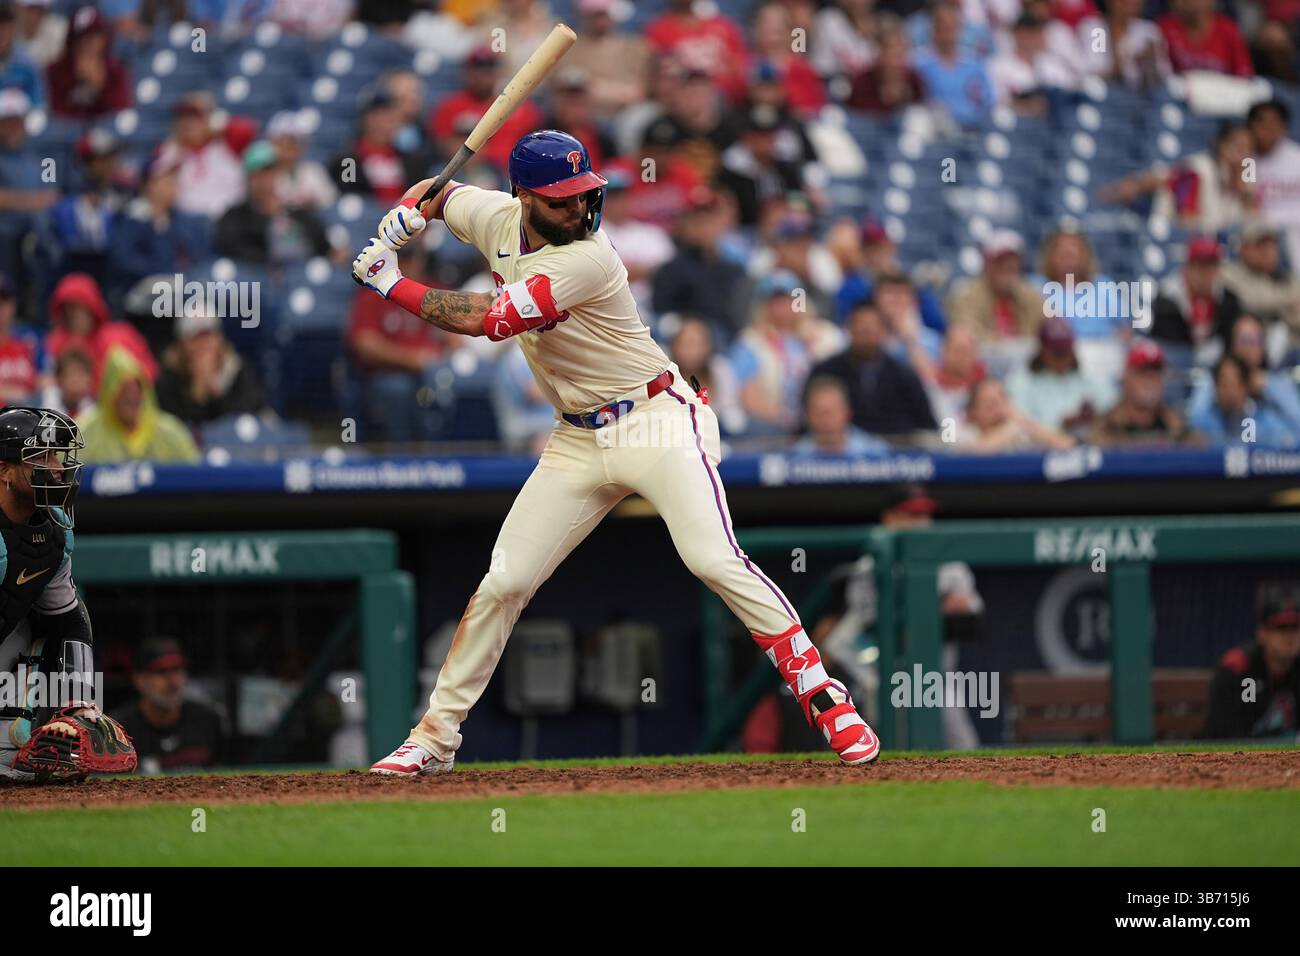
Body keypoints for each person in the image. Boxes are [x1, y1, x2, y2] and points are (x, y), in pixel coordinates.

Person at [353, 129, 881, 773]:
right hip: (576, 435)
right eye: (561, 200)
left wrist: (388, 278)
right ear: (523, 198)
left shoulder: (591, 258)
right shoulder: (492, 215)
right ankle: (435, 738)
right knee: (505, 582)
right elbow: (439, 194)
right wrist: (411, 212)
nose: (577, 210)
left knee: (711, 557)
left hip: (656, 417)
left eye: (583, 195)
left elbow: (488, 320)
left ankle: (823, 694)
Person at [0, 406, 136, 781]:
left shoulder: (55, 530)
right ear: (4, 469)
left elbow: (68, 622)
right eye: (40, 456)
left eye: (58, 455)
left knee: (38, 626)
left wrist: (81, 704)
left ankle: (6, 746)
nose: (56, 467)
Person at [729, 269, 844, 435]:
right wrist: (788, 427)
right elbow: (750, 397)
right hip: (775, 430)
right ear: (763, 306)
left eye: (790, 299)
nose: (783, 306)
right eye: (775, 301)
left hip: (827, 426)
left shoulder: (828, 336)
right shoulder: (750, 343)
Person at [806, 299, 938, 437]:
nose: (866, 335)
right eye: (861, 328)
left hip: (896, 454)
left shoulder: (903, 376)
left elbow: (926, 425)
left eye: (871, 329)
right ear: (849, 329)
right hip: (836, 451)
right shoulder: (825, 371)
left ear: (883, 332)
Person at [109, 638, 225, 773]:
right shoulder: (117, 730)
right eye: (161, 672)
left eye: (177, 670)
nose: (172, 681)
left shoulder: (207, 719)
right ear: (139, 680)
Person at [216, 140, 335, 268]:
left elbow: (324, 247)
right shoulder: (235, 217)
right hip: (262, 280)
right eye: (259, 173)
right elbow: (233, 248)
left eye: (270, 171)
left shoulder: (298, 213)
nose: (265, 179)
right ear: (248, 178)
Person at [1201, 595, 1300, 739]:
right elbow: (1220, 731)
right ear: (1262, 633)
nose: (1289, 636)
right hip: (1240, 754)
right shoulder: (1240, 667)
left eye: (1295, 628)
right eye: (1281, 628)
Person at [78, 346, 198, 463]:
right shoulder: (84, 433)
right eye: (124, 390)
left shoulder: (171, 433)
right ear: (110, 394)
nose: (132, 397)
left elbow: (195, 473)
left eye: (137, 390)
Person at [45, 271, 156, 389]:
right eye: (70, 310)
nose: (76, 316)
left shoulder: (121, 335)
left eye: (81, 308)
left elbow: (147, 374)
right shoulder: (55, 342)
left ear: (93, 307)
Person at [155, 312, 267, 427]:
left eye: (209, 337)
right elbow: (172, 426)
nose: (205, 346)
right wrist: (197, 397)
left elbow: (246, 422)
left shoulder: (237, 370)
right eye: (196, 339)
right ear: (182, 345)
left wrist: (216, 393)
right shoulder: (168, 378)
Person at [1005, 317, 1115, 432]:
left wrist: (1094, 417)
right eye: (1056, 353)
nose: (1062, 358)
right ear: (1042, 351)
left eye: (1065, 351)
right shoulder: (1021, 382)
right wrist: (1062, 424)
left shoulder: (1089, 379)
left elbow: (1114, 409)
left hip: (1090, 445)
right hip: (1040, 447)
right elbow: (1020, 425)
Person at [1088, 339, 1204, 446]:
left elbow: (1202, 451)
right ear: (1126, 377)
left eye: (1155, 373)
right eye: (1142, 373)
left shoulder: (1178, 426)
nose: (1149, 381)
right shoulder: (1106, 427)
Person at [945, 230, 1045, 342]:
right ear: (987, 263)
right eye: (1000, 260)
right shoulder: (966, 296)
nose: (1007, 266)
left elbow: (1044, 329)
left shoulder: (1031, 296)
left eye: (1012, 260)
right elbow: (968, 333)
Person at [1187, 353, 1299, 447]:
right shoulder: (1203, 422)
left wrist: (1268, 384)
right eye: (1224, 384)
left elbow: (1293, 440)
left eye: (1235, 384)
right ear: (1215, 387)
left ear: (1246, 386)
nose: (1230, 391)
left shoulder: (1265, 420)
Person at [912, 0, 993, 128]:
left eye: (952, 27)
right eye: (943, 27)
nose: (948, 33)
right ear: (933, 28)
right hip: (933, 130)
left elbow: (987, 103)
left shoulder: (974, 64)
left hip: (974, 129)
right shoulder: (918, 63)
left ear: (959, 29)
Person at [1220, 223, 1300, 352]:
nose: (1267, 251)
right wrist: (1289, 303)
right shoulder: (1231, 274)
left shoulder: (1285, 276)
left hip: (1292, 347)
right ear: (1244, 248)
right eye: (1260, 245)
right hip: (1252, 350)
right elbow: (1252, 301)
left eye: (1271, 245)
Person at [167, 92, 245, 221]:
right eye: (183, 117)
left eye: (195, 117)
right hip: (186, 225)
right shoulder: (170, 152)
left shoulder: (227, 144)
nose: (188, 123)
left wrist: (218, 123)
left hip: (228, 223)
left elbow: (246, 130)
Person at [43, 4, 130, 119]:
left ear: (105, 39)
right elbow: (55, 116)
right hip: (67, 134)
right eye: (82, 38)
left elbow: (121, 116)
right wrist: (74, 80)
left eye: (95, 36)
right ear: (72, 42)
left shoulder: (116, 70)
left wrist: (99, 88)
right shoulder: (55, 71)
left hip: (104, 134)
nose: (88, 44)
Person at [1248, 99, 1300, 275]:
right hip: (1260, 234)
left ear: (1284, 128)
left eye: (1274, 124)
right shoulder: (1248, 160)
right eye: (1263, 124)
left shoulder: (1296, 158)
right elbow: (1245, 199)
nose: (1268, 131)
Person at [960, 377, 1075, 450]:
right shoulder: (965, 433)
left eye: (1002, 401)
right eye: (990, 404)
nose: (998, 409)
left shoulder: (1021, 430)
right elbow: (974, 454)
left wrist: (1025, 423)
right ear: (973, 412)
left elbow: (1068, 445)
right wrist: (1010, 430)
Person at [1077, 0, 1170, 89]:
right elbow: (1093, 72)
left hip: (1144, 96)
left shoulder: (1148, 30)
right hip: (1107, 94)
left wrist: (1150, 64)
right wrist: (1121, 62)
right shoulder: (1095, 28)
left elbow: (1164, 75)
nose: (1132, 2)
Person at [794, 375, 889, 455]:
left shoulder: (875, 452)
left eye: (832, 412)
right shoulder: (794, 457)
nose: (826, 420)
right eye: (819, 413)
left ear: (847, 413)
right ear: (807, 416)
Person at [1156, 0, 1253, 78]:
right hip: (1180, 96)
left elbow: (1244, 73)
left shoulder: (1228, 30)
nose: (1192, 3)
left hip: (1224, 95)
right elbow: (1161, 75)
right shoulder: (1164, 28)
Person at [0, 271, 41, 406]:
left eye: (4, 300)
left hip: (30, 414)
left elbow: (50, 379)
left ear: (13, 304)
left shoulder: (30, 338)